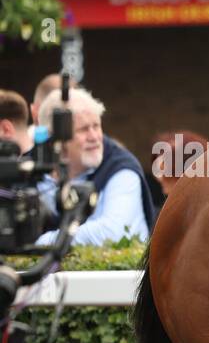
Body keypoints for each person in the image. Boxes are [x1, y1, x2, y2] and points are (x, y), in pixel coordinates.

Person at [34, 87, 155, 247]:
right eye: (83, 129)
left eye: (96, 126)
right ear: (55, 138)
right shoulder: (29, 167)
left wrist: (42, 243)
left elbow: (113, 234)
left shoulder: (120, 168)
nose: (95, 137)